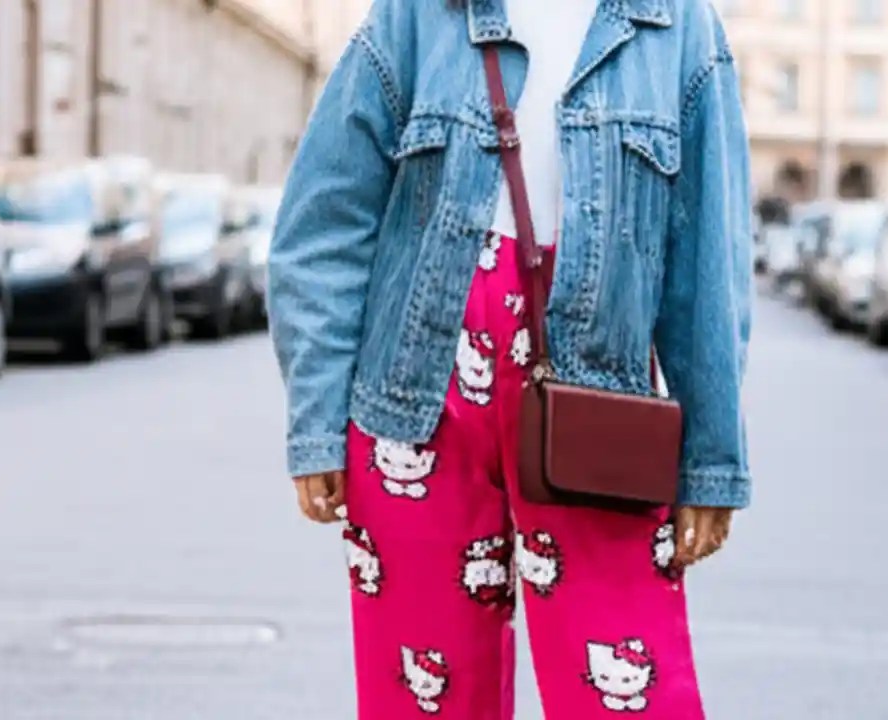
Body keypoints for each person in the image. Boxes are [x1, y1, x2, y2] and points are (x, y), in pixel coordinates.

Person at [267, 0, 752, 716]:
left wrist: (711, 459)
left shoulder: (677, 26)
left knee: (624, 692)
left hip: (599, 393)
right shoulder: (416, 16)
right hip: (414, 395)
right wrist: (317, 421)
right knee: (423, 698)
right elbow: (323, 224)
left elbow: (709, 256)